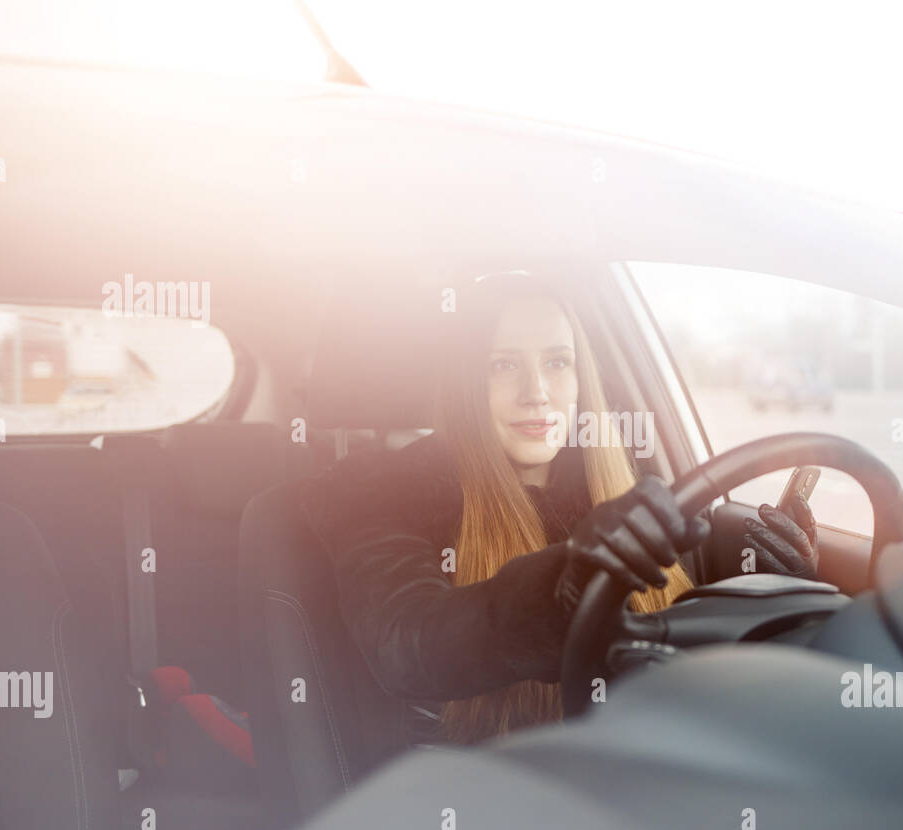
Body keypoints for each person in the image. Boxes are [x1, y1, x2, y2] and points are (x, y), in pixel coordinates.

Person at [299, 273, 818, 746]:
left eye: (556, 361)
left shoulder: (628, 486)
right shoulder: (383, 493)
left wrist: (772, 593)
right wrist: (563, 588)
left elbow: (680, 651)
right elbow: (411, 643)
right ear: (464, 382)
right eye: (503, 365)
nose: (537, 394)